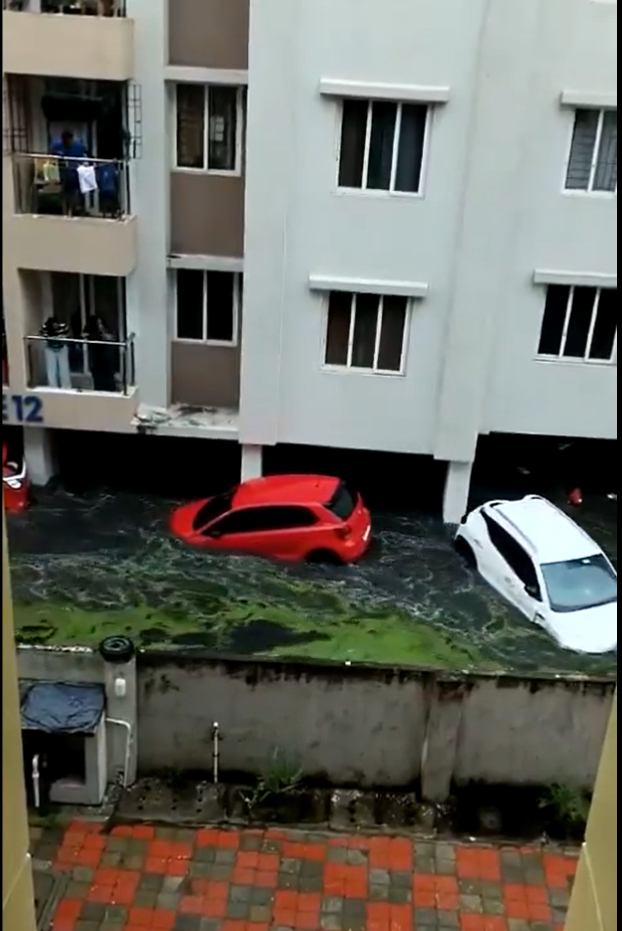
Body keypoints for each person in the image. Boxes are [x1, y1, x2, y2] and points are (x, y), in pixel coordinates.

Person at [49, 130, 88, 216]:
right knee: (65, 193)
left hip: (77, 172)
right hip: (64, 172)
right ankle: (66, 211)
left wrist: (85, 164)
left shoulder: (79, 146)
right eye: (65, 141)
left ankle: (80, 210)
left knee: (80, 191)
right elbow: (51, 156)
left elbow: (85, 156)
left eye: (68, 141)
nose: (67, 143)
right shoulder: (57, 146)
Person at [84, 315, 118, 392]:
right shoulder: (92, 334)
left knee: (109, 379)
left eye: (101, 323)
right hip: (97, 361)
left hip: (107, 361)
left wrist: (105, 335)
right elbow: (85, 335)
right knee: (99, 381)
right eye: (98, 324)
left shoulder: (106, 330)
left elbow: (112, 338)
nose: (100, 325)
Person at [40, 316, 71, 388]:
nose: (55, 326)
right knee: (51, 369)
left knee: (64, 368)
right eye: (53, 325)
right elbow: (42, 335)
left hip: (62, 347)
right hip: (50, 348)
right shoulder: (46, 327)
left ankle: (66, 386)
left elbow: (67, 335)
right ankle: (52, 386)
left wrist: (63, 340)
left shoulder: (62, 326)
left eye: (56, 324)